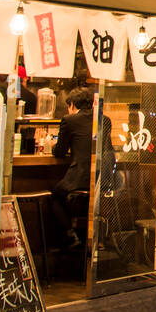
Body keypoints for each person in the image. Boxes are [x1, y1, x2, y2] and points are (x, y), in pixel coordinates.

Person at [50, 89, 94, 247]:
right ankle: (94, 237)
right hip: (100, 180)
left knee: (55, 196)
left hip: (80, 178)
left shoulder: (69, 120)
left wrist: (52, 146)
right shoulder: (104, 119)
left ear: (73, 105)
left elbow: (60, 152)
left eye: (69, 106)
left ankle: (70, 235)